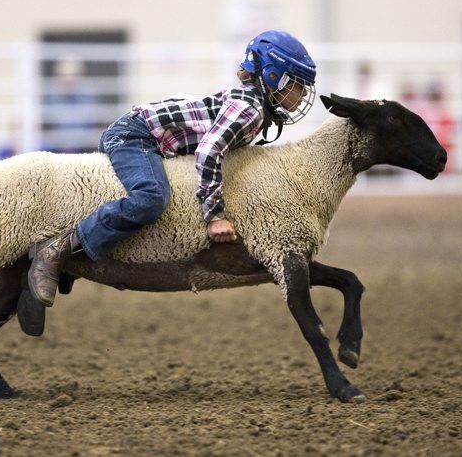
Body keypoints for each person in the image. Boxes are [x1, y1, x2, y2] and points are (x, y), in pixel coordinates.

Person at [27, 30, 317, 311]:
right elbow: (209, 151)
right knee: (151, 197)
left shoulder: (253, 107)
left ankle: (71, 263)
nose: (303, 95)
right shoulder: (249, 110)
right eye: (298, 84)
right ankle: (57, 251)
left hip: (150, 139)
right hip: (134, 135)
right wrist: (215, 216)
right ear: (273, 77)